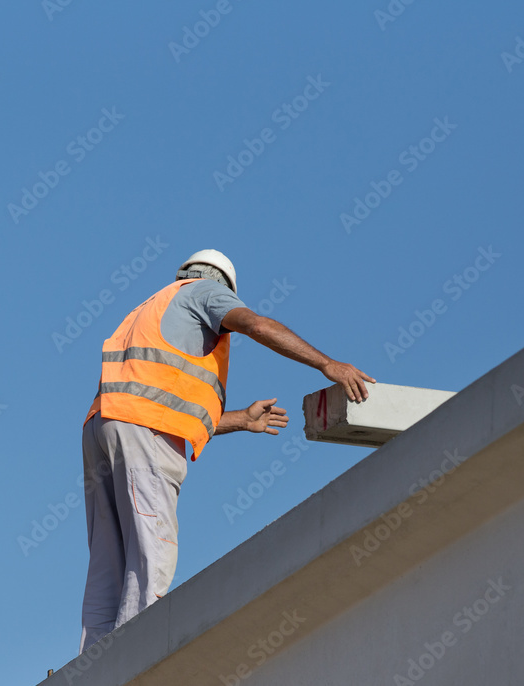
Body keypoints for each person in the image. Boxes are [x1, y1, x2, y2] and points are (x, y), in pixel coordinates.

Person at [79, 249, 375, 652]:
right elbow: (255, 324)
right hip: (141, 427)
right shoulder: (205, 292)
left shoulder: (153, 305)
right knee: (152, 548)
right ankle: (131, 659)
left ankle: (91, 664)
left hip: (105, 425)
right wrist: (327, 364)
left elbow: (168, 403)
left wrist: (242, 420)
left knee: (108, 559)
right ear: (224, 285)